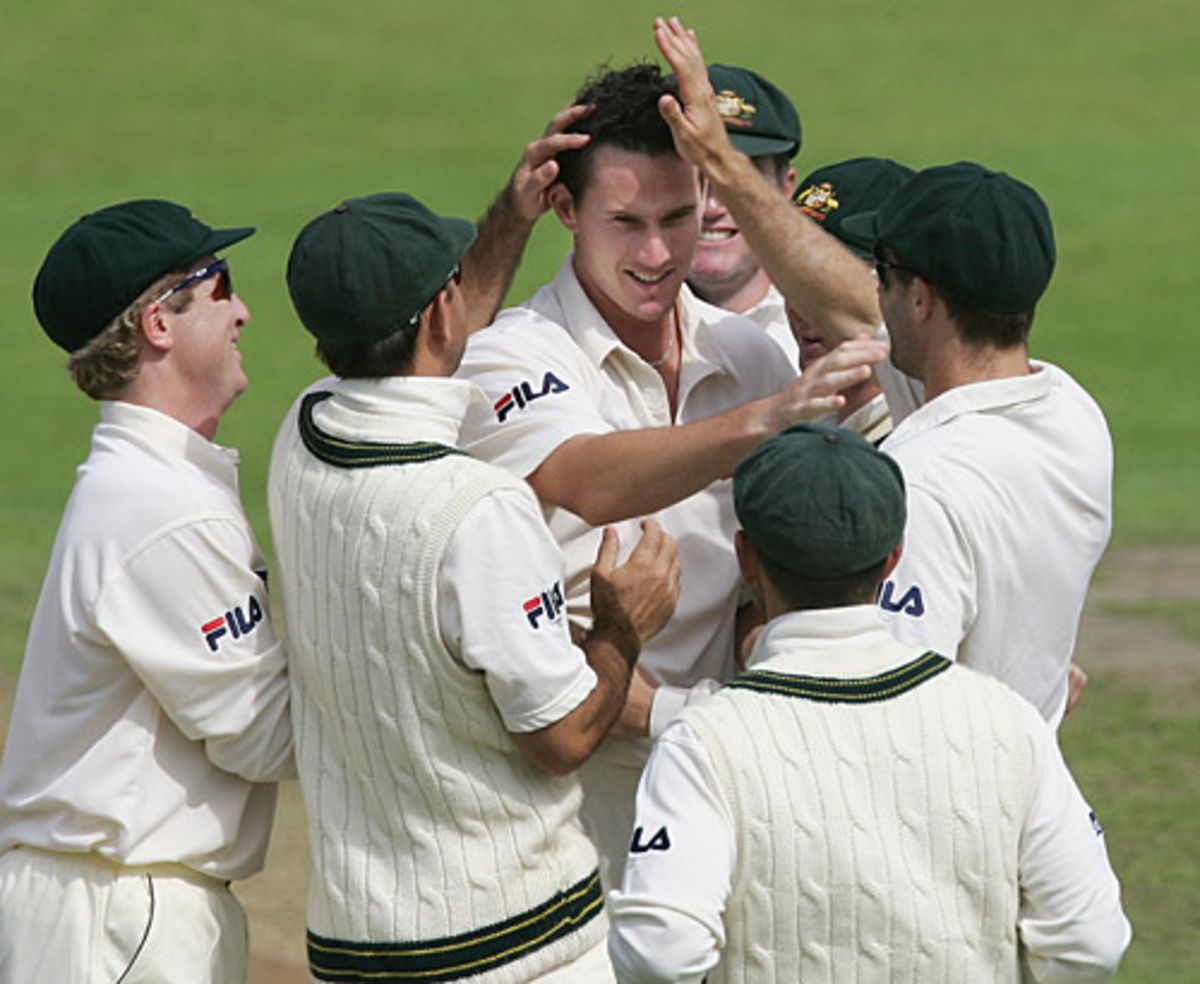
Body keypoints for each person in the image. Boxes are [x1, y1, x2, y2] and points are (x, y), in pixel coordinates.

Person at [455, 62, 887, 887]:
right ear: (565, 209)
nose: (656, 253)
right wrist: (766, 419)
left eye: (679, 216)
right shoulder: (511, 353)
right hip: (565, 812)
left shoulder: (752, 355)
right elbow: (586, 477)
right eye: (625, 221)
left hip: (724, 787)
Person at [269, 192, 682, 983]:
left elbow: (421, 359)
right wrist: (621, 630)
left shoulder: (304, 432)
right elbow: (560, 739)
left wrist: (513, 218)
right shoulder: (479, 510)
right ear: (438, 314)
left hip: (356, 943)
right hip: (514, 951)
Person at [654, 17, 1110, 725]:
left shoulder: (919, 481)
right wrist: (721, 162)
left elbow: (869, 707)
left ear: (921, 300)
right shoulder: (1074, 416)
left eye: (887, 277)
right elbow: (846, 300)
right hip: (1029, 785)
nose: (873, 296)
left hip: (942, 815)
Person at [608, 422, 1132, 983]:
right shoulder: (1009, 722)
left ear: (746, 559)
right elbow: (1090, 941)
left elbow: (661, 951)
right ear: (893, 558)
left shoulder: (704, 742)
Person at [0, 200, 293, 982]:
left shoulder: (151, 487)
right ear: (158, 323)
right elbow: (266, 734)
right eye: (221, 286)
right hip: (119, 913)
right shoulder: (159, 509)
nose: (244, 311)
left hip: (114, 906)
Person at [788, 156, 914, 445]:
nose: (801, 307)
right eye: (794, 278)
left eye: (833, 285)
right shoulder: (801, 425)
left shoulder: (911, 452)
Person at [686, 63, 801, 362]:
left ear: (785, 190)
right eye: (692, 177)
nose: (712, 207)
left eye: (739, 179)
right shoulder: (598, 325)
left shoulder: (829, 327)